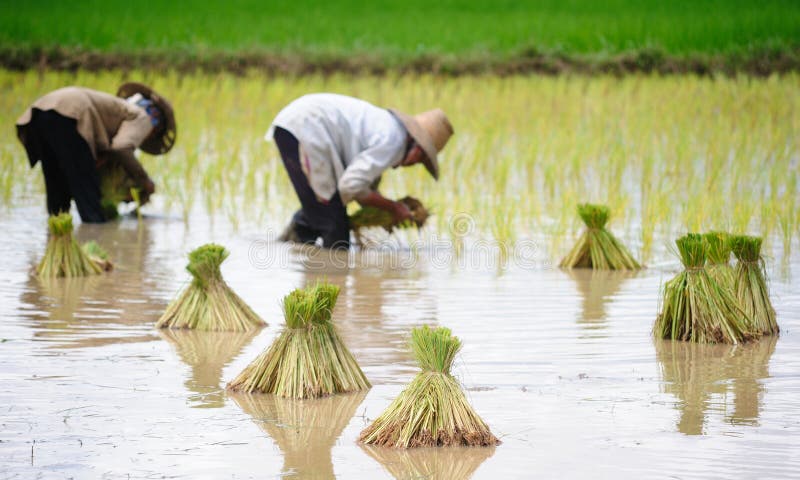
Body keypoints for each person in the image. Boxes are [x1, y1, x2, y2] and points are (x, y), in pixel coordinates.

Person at [267, 93, 453, 249]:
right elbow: (350, 187)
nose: (413, 165)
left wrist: (387, 212)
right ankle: (331, 281)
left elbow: (361, 187)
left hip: (300, 123)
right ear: (418, 150)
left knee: (325, 211)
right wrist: (394, 208)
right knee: (335, 229)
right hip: (304, 128)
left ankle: (293, 246)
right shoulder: (393, 141)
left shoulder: (390, 133)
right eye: (421, 160)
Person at [16, 83, 177, 222]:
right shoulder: (144, 117)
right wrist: (145, 181)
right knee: (90, 203)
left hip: (39, 113)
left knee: (58, 196)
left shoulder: (119, 111)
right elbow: (121, 148)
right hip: (72, 115)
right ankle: (94, 244)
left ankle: (57, 243)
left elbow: (105, 152)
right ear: (155, 129)